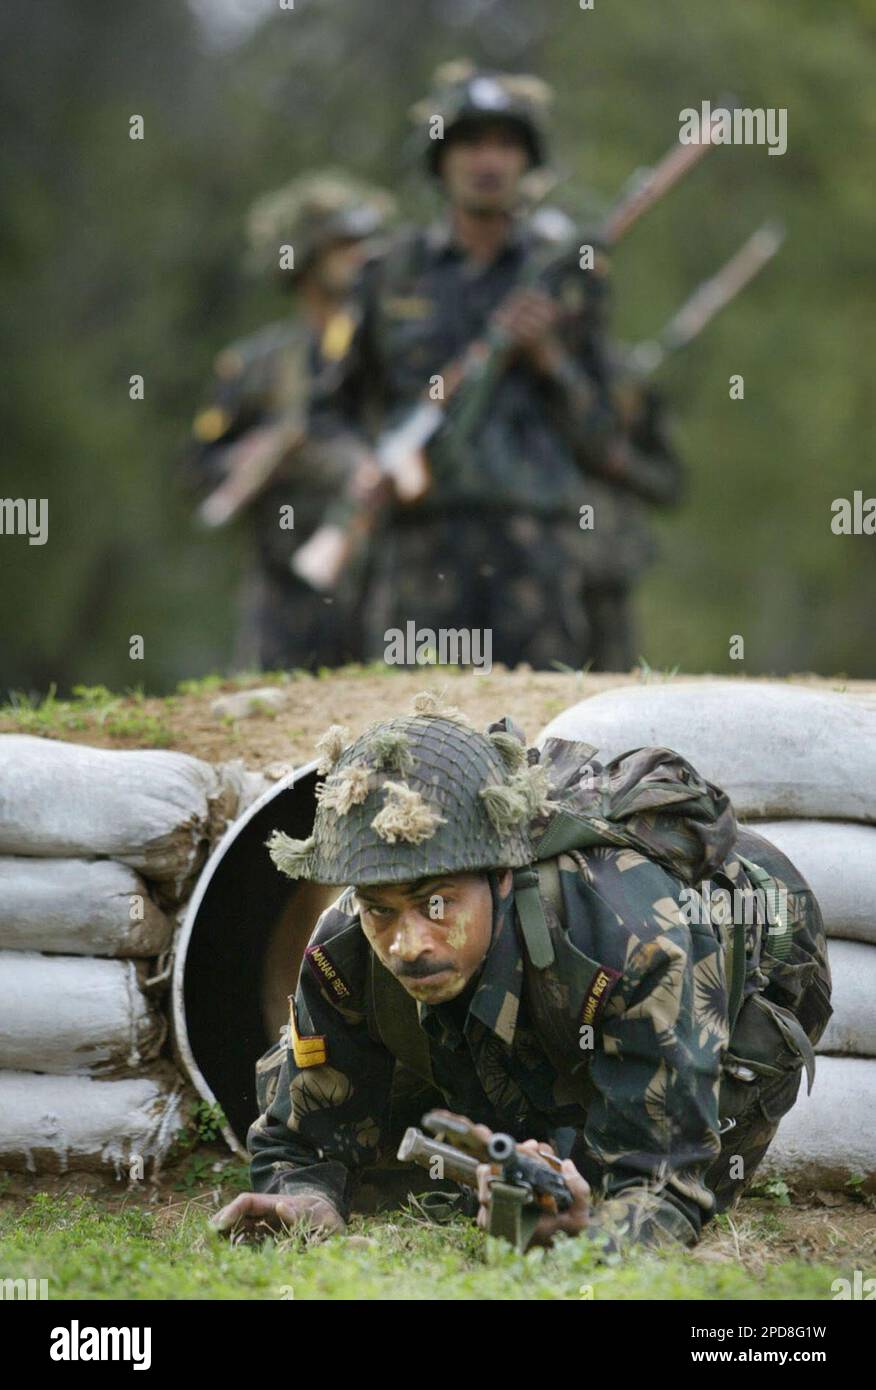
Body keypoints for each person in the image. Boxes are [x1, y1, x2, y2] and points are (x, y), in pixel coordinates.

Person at [212, 694, 833, 1254]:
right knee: (435, 1163)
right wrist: (309, 1198)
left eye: (437, 904)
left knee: (583, 1165)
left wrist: (589, 1232)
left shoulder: (634, 937)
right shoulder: (346, 945)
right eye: (380, 909)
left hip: (750, 964)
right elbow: (302, 1141)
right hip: (525, 1000)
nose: (407, 944)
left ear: (502, 876)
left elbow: (666, 1187)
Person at [307, 63, 624, 671]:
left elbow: (606, 433)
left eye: (507, 145)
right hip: (419, 557)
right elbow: (327, 414)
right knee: (413, 743)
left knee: (541, 750)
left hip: (537, 556)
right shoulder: (385, 275)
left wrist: (547, 356)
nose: (489, 161)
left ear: (527, 163)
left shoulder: (569, 279)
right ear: (440, 159)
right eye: (471, 143)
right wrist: (362, 469)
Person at [184, 171, 394, 671]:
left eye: (365, 242)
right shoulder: (256, 363)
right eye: (342, 244)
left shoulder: (392, 352)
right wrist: (256, 456)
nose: (358, 255)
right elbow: (198, 468)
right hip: (284, 589)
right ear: (304, 256)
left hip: (383, 578)